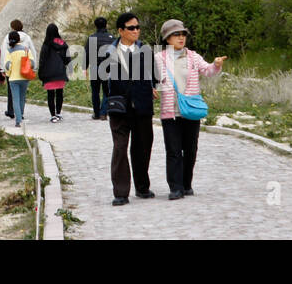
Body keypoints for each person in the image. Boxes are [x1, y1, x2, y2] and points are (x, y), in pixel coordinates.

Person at [156, 19, 227, 199]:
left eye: (183, 34)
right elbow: (150, 78)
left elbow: (208, 71)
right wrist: (151, 87)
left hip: (191, 110)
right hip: (170, 111)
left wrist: (216, 64)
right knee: (173, 150)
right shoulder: (158, 58)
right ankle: (175, 188)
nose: (181, 38)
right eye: (176, 34)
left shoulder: (193, 57)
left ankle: (186, 184)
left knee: (190, 149)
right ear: (167, 38)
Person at [103, 12, 157, 205]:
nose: (136, 31)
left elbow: (153, 74)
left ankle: (142, 187)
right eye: (131, 27)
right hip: (119, 107)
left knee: (142, 147)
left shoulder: (145, 50)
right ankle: (120, 193)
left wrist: (152, 87)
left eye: (137, 27)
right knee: (120, 148)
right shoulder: (108, 51)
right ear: (120, 30)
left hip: (142, 105)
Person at [2, 19, 35, 122]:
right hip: (24, 75)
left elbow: (6, 62)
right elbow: (33, 60)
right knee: (22, 97)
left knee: (14, 98)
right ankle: (21, 114)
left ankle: (17, 118)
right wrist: (33, 68)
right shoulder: (27, 44)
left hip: (13, 77)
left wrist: (4, 70)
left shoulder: (8, 46)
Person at [85, 17, 116, 120]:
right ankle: (103, 113)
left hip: (94, 67)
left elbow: (87, 54)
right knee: (107, 91)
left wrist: (84, 67)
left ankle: (96, 113)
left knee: (95, 91)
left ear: (95, 26)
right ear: (106, 25)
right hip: (108, 68)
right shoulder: (112, 38)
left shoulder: (92, 38)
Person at [38, 23, 69, 122]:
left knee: (50, 94)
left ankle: (53, 115)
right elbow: (67, 59)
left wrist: (40, 73)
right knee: (60, 93)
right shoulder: (62, 43)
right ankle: (59, 113)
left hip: (48, 73)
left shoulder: (46, 44)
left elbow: (42, 60)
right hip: (60, 72)